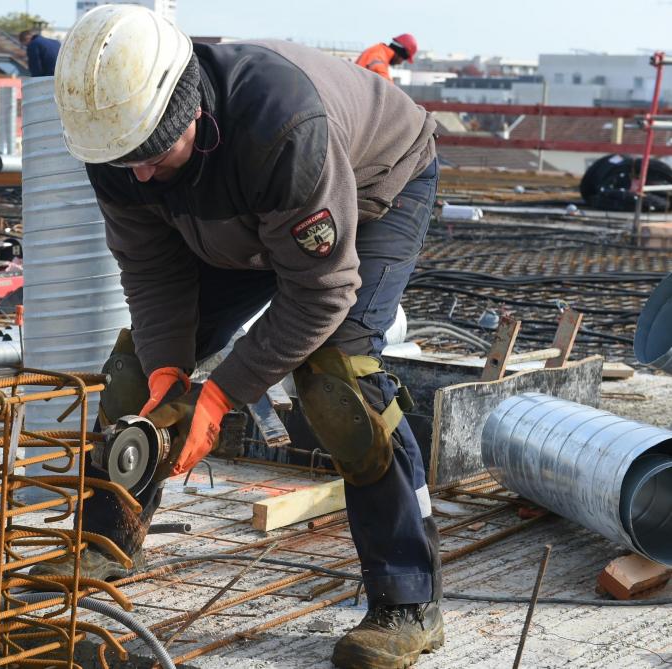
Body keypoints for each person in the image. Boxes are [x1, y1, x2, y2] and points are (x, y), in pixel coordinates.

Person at [39, 5, 442, 669]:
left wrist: (221, 396)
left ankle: (408, 600)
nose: (137, 175)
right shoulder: (116, 143)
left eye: (151, 156)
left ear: (189, 108)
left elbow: (317, 290)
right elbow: (151, 269)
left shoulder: (282, 128)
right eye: (125, 162)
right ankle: (110, 539)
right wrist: (168, 375)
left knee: (340, 382)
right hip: (248, 213)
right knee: (134, 375)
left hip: (375, 192)